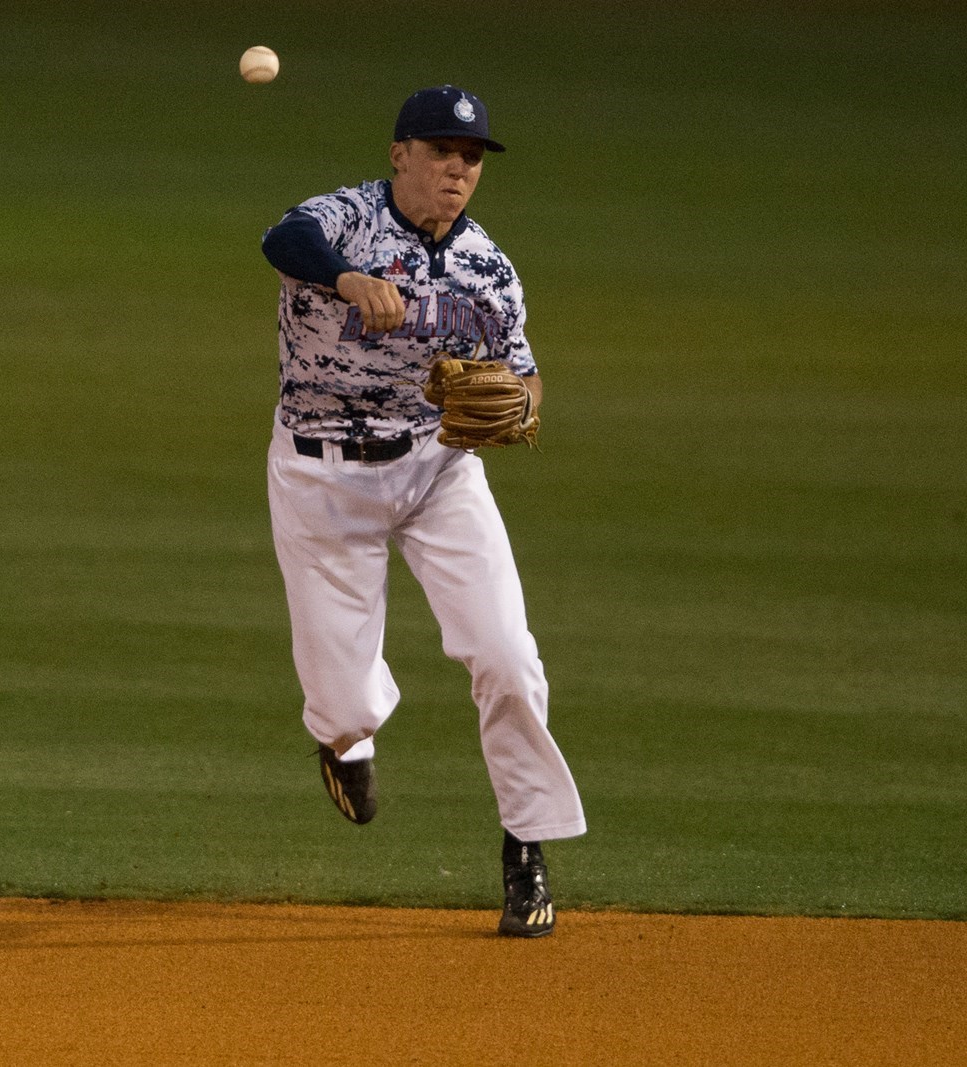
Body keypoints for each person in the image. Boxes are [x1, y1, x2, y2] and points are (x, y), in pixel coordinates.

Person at [258, 84, 585, 938]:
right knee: (341, 698)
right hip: (322, 478)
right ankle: (344, 741)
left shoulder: (488, 267)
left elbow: (525, 371)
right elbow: (280, 238)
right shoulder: (346, 219)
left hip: (440, 472)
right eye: (441, 150)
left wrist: (520, 406)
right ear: (400, 153)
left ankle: (526, 851)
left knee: (508, 654)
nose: (457, 169)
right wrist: (345, 277)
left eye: (471, 156)